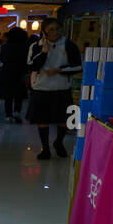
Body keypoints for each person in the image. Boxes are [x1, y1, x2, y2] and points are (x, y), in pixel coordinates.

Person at [26, 17, 82, 159]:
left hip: (62, 88)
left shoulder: (69, 45)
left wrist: (59, 70)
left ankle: (59, 142)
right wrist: (44, 51)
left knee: (64, 120)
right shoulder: (36, 46)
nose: (55, 32)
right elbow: (32, 66)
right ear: (44, 32)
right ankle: (45, 148)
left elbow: (78, 66)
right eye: (51, 30)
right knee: (42, 120)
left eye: (57, 29)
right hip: (41, 88)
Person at [0, 27, 29, 122]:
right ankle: (17, 112)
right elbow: (27, 61)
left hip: (7, 72)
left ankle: (8, 115)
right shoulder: (25, 47)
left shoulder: (4, 46)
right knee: (19, 94)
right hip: (20, 72)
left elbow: (2, 59)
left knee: (8, 95)